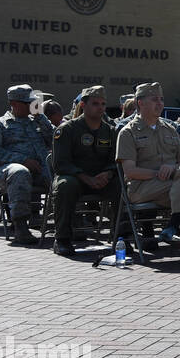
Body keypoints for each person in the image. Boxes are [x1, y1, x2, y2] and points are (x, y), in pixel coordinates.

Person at [115, 81, 180, 260]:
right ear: (140, 103)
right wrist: (160, 173)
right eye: (154, 99)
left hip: (173, 186)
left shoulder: (170, 129)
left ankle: (179, 230)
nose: (160, 104)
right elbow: (130, 171)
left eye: (161, 99)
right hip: (141, 188)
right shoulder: (128, 132)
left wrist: (172, 169)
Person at [49, 86, 121, 255]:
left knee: (121, 185)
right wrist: (85, 177)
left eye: (103, 104)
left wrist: (108, 173)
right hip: (75, 179)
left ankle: (120, 237)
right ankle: (62, 239)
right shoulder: (67, 130)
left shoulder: (110, 131)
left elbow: (115, 160)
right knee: (65, 185)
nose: (101, 107)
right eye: (95, 103)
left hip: (102, 180)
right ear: (83, 104)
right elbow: (60, 163)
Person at [0, 83, 52, 244]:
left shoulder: (37, 121)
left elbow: (56, 139)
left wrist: (40, 117)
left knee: (64, 176)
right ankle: (21, 227)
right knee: (20, 172)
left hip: (41, 170)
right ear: (15, 104)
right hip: (8, 173)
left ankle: (69, 223)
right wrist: (22, 160)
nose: (33, 106)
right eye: (28, 103)